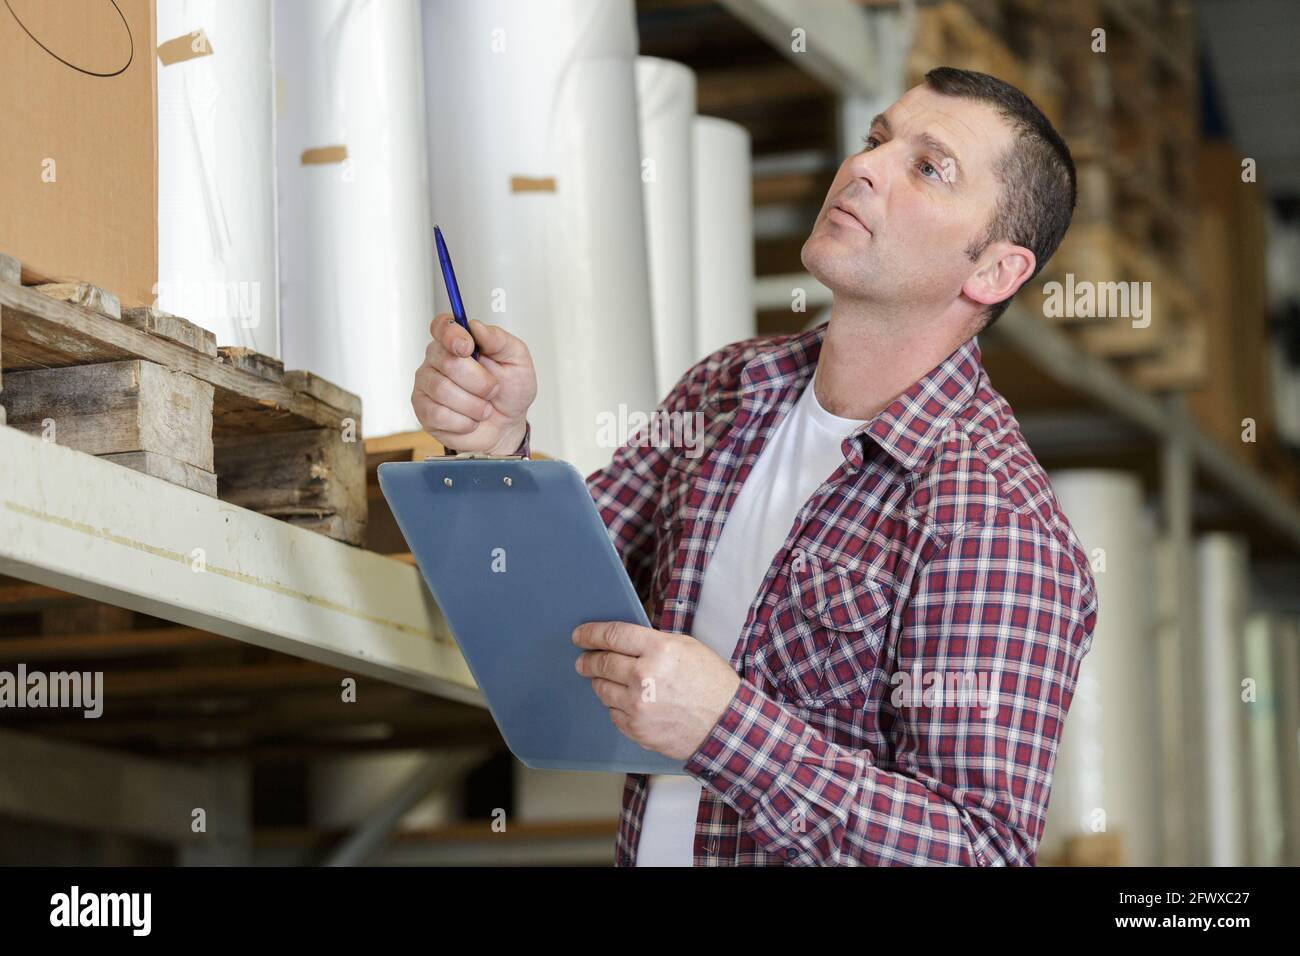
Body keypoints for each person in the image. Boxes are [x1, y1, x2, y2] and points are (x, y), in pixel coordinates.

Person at [411, 67, 1097, 866]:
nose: (865, 167)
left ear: (995, 272)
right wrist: (500, 446)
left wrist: (725, 728)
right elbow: (564, 603)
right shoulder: (728, 389)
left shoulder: (991, 521)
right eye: (877, 139)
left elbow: (979, 851)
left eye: (928, 167)